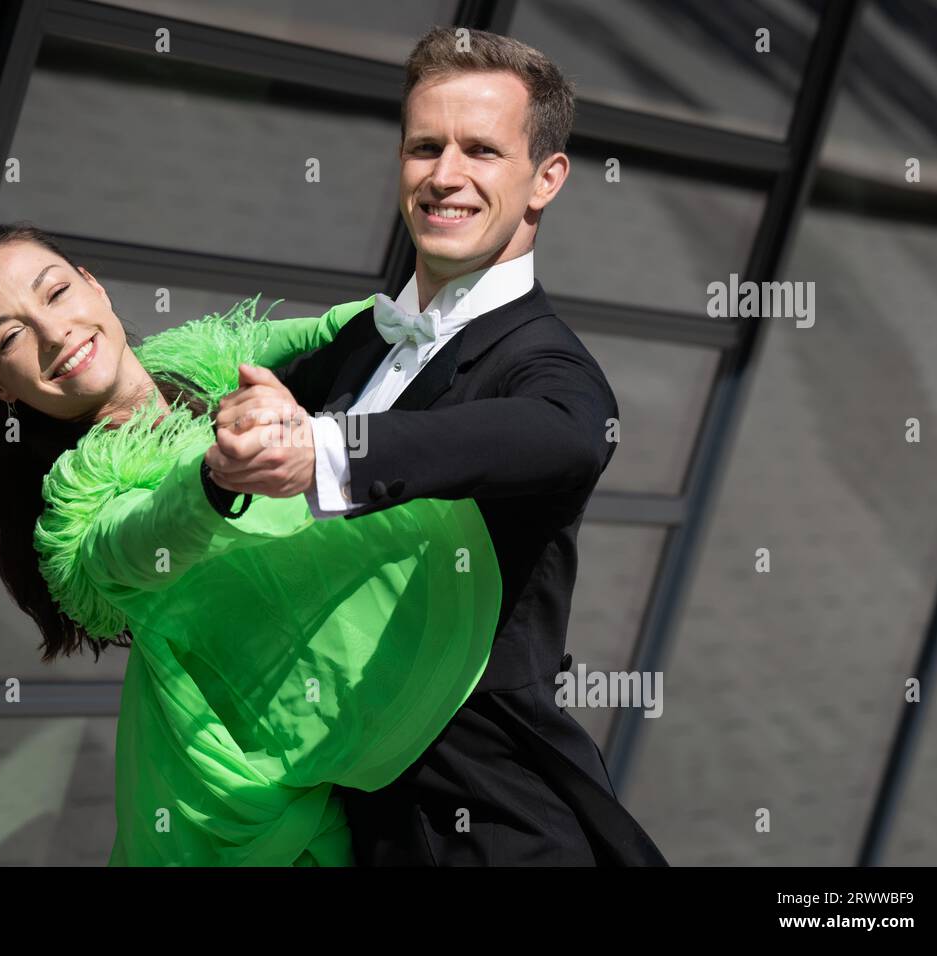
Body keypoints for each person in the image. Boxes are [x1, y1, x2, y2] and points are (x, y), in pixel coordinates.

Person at [205, 27, 668, 865]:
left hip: (491, 819)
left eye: (481, 151)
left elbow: (563, 433)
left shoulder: (547, 365)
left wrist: (329, 451)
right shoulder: (359, 347)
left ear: (545, 179)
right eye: (426, 147)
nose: (444, 175)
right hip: (344, 811)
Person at [0, 222, 508, 865]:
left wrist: (448, 276)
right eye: (10, 337)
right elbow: (135, 544)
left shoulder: (201, 358)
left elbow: (351, 328)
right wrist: (211, 479)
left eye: (57, 292)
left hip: (424, 713)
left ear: (93, 285)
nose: (55, 332)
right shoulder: (79, 501)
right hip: (251, 813)